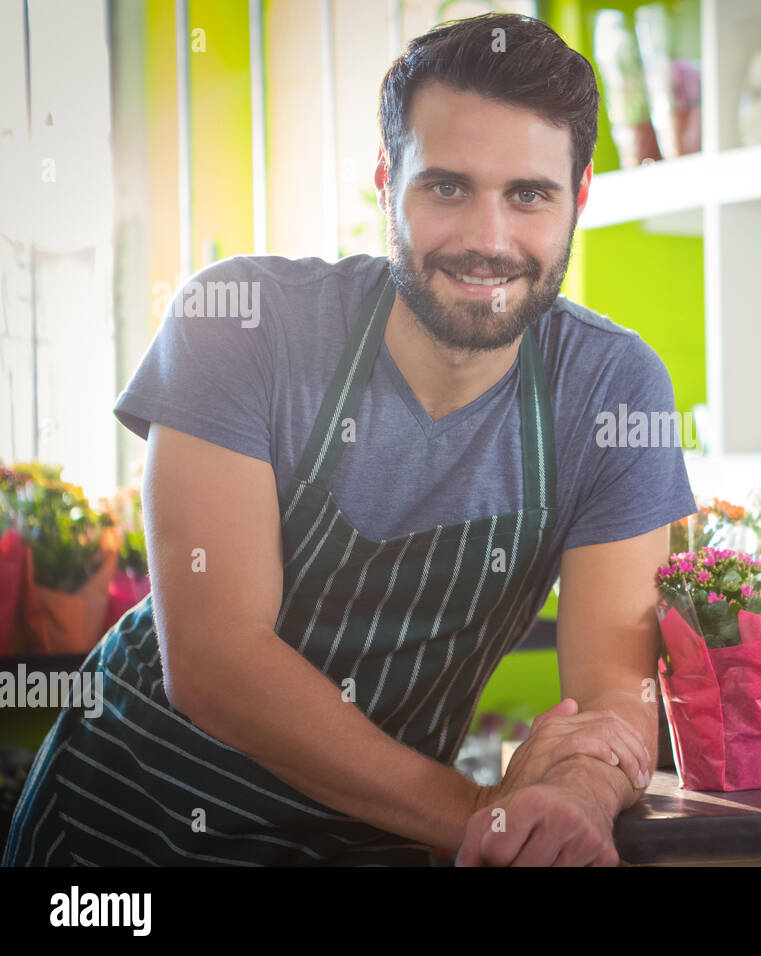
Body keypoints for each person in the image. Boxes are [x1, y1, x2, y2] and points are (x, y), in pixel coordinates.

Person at [3, 12, 696, 867]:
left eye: (529, 194)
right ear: (384, 182)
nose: (488, 239)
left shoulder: (614, 389)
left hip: (370, 840)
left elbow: (612, 695)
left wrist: (577, 793)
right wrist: (479, 811)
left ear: (579, 197)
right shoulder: (242, 321)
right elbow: (217, 660)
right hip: (125, 831)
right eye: (446, 187)